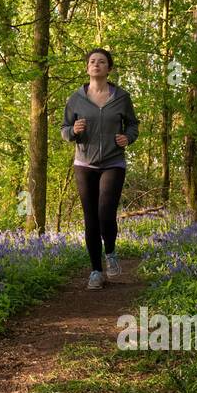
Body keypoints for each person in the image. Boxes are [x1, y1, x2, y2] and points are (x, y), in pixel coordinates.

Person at [60, 48, 139, 290]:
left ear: (109, 69)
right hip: (84, 164)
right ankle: (96, 271)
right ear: (87, 68)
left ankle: (111, 252)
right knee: (91, 219)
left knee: (105, 213)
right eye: (92, 61)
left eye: (102, 62)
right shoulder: (75, 98)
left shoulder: (121, 97)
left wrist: (128, 137)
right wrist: (74, 131)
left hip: (113, 162)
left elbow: (133, 125)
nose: (96, 65)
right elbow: (64, 129)